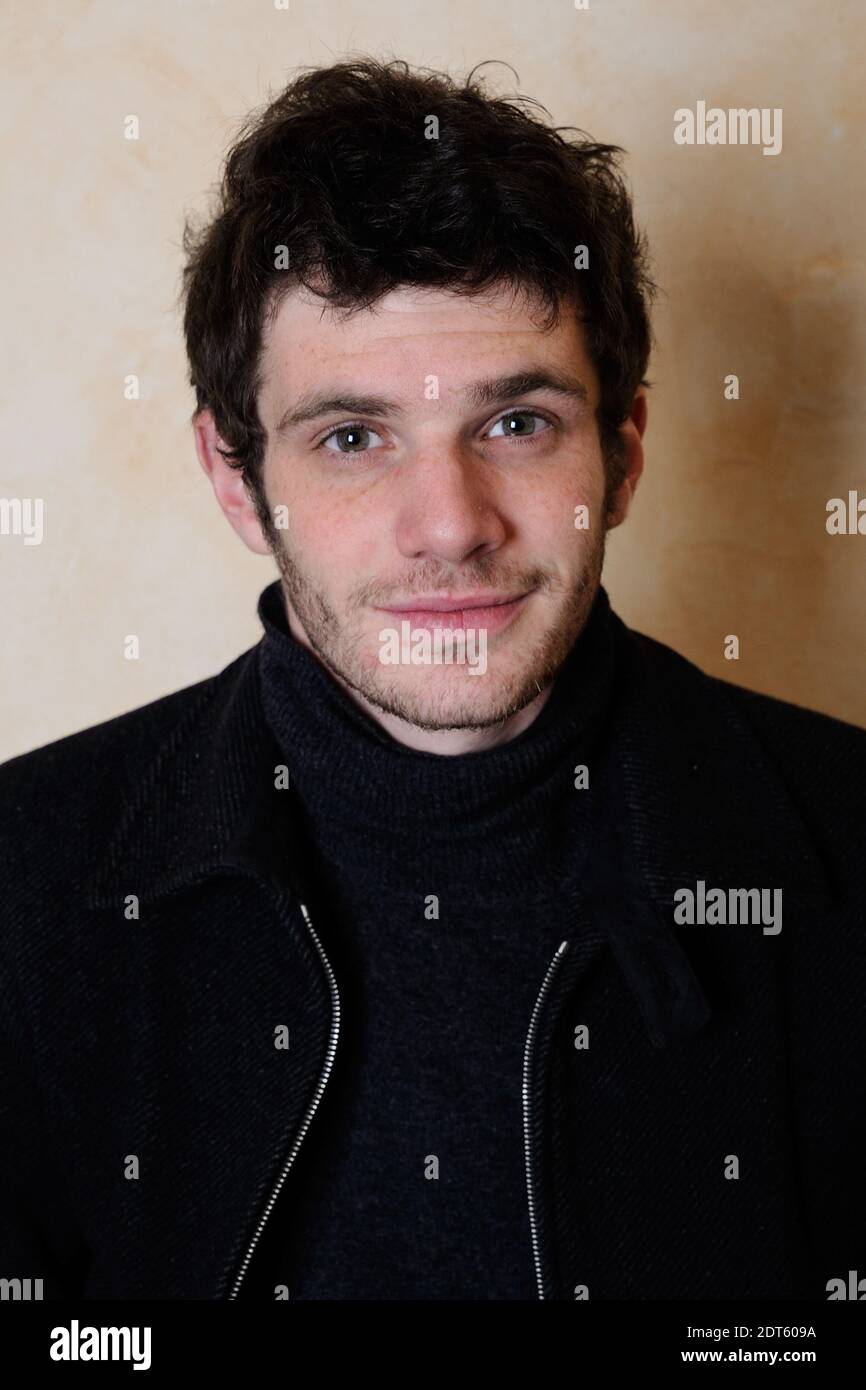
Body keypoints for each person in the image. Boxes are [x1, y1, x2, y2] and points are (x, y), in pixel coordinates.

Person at [1, 57, 864, 1303]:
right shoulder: (28, 886)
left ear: (621, 454)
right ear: (237, 479)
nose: (449, 526)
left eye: (516, 423)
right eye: (351, 439)